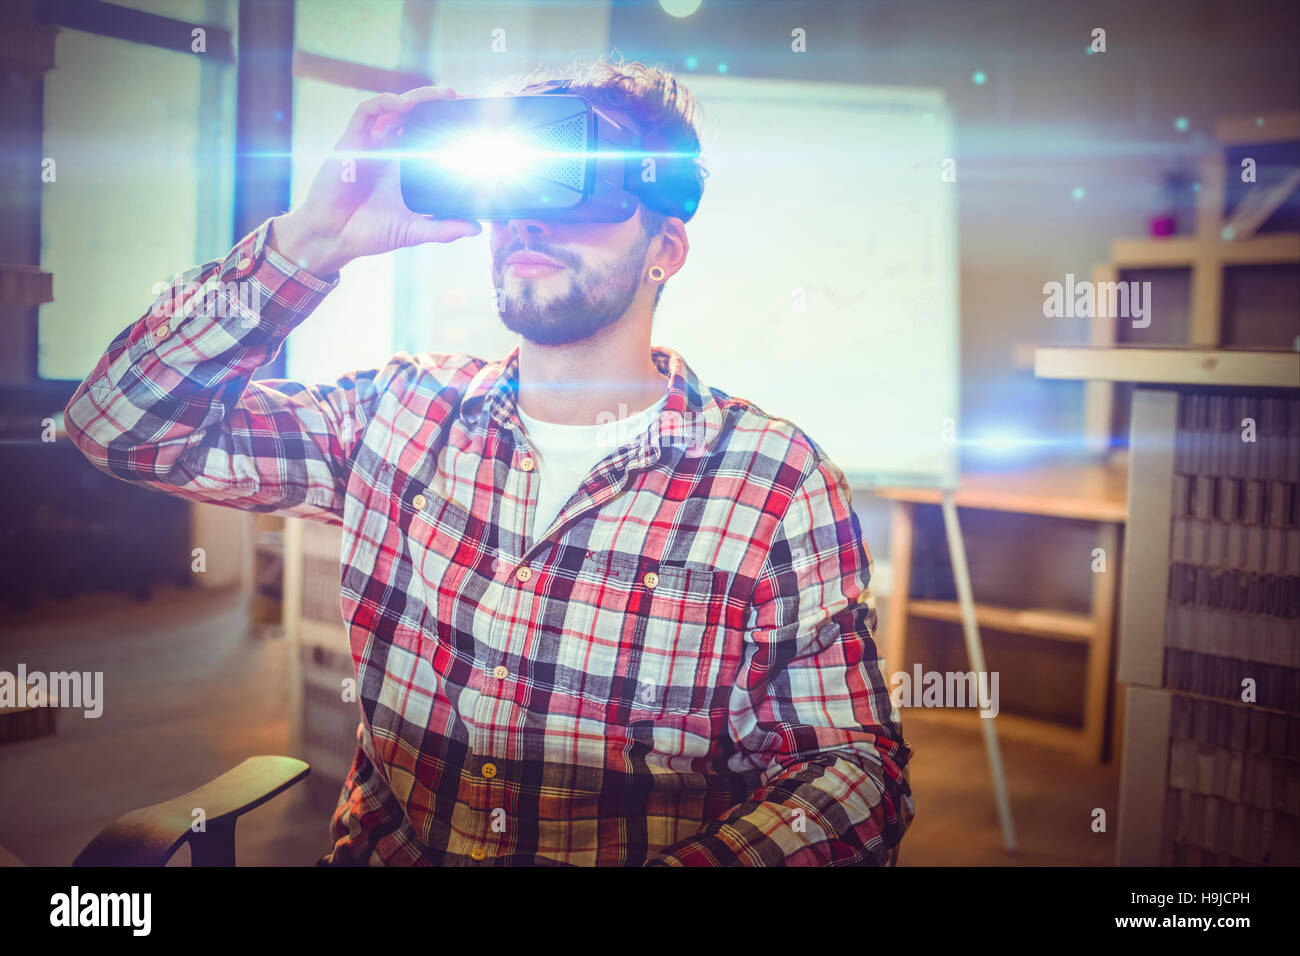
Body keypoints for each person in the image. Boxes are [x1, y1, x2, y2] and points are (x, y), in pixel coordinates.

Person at [63, 57, 913, 866]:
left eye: (574, 180)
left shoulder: (774, 481)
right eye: (514, 186)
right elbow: (116, 423)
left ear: (666, 248)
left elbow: (851, 775)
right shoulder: (399, 415)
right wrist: (310, 242)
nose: (530, 218)